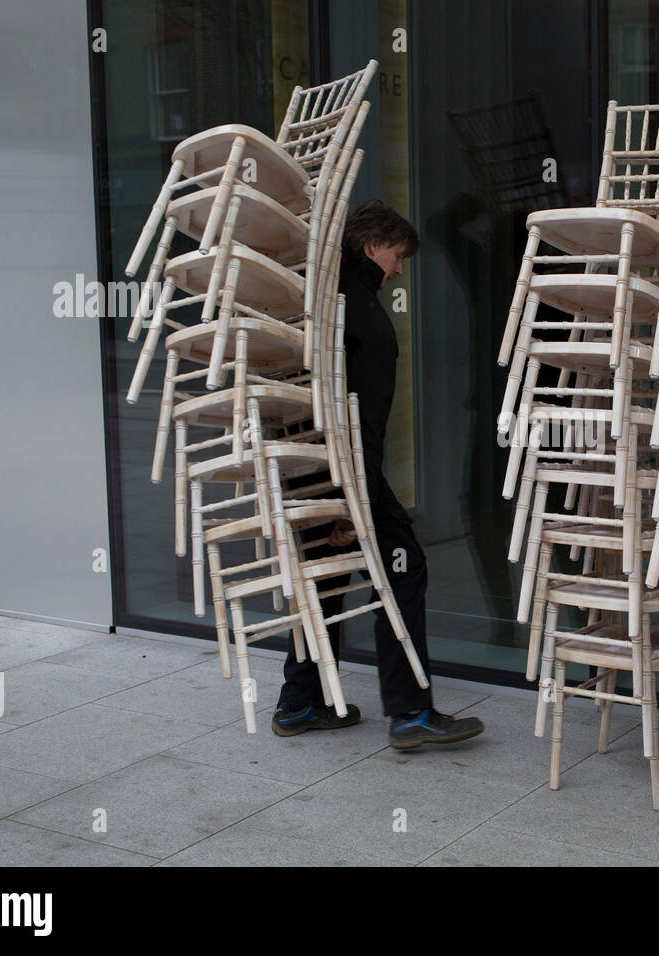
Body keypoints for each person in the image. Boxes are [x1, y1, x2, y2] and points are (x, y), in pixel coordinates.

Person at [271, 200, 483, 751]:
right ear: (371, 247)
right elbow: (351, 410)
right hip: (343, 465)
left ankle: (300, 704)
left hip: (309, 463)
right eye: (397, 255)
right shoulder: (353, 305)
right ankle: (411, 713)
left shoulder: (318, 297)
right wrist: (345, 495)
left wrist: (316, 484)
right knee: (404, 565)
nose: (399, 269)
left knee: (325, 574)